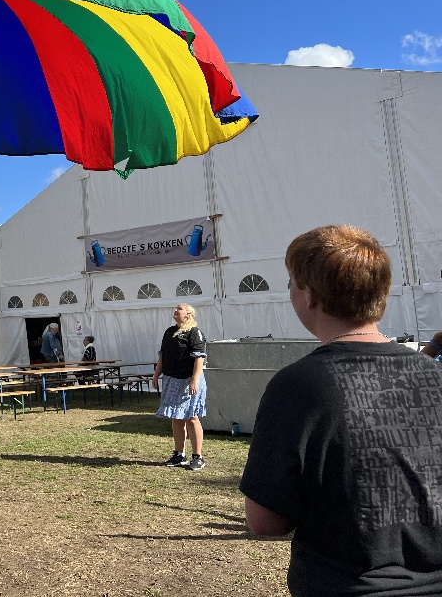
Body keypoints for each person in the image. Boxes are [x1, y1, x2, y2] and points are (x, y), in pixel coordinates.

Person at [241, 225, 442, 595]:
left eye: (291, 284)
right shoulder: (435, 374)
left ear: (311, 296)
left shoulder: (298, 386)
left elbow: (265, 520)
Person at [151, 303, 207, 471]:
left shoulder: (194, 332)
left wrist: (194, 381)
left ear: (188, 314)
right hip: (171, 378)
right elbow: (162, 356)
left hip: (188, 380)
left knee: (191, 417)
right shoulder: (169, 332)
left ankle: (198, 457)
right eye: (175, 308)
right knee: (176, 417)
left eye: (180, 309)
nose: (176, 310)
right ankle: (179, 454)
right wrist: (156, 375)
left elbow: (199, 359)